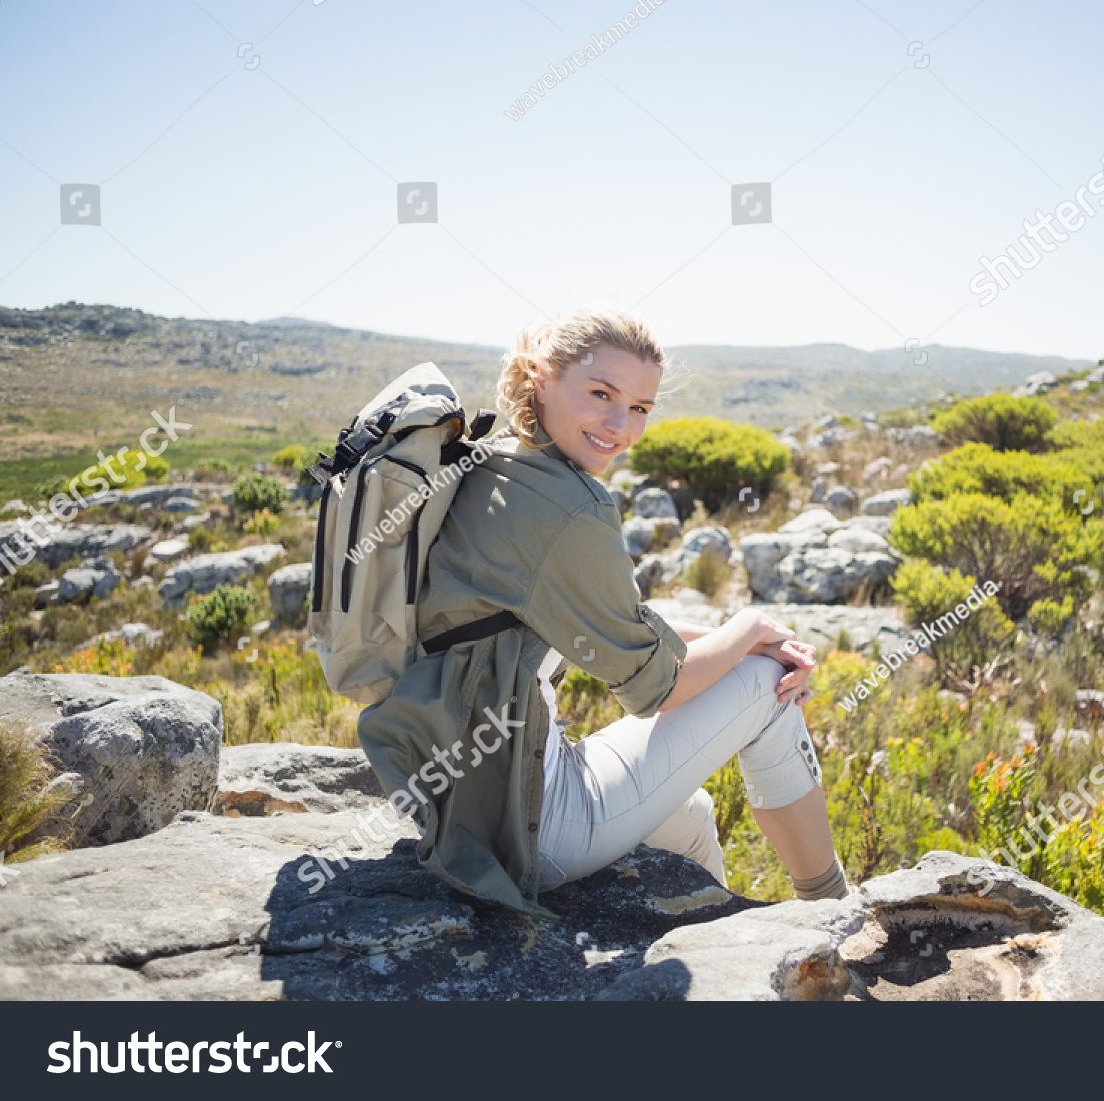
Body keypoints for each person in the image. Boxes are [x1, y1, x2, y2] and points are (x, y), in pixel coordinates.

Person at [356, 307, 848, 915]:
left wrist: (743, 637)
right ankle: (832, 911)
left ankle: (713, 935)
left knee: (692, 818)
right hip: (532, 823)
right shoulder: (570, 507)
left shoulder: (494, 465)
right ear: (541, 379)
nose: (621, 426)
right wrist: (750, 630)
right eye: (601, 394)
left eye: (640, 407)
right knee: (768, 685)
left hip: (465, 808)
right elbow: (654, 689)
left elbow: (615, 622)